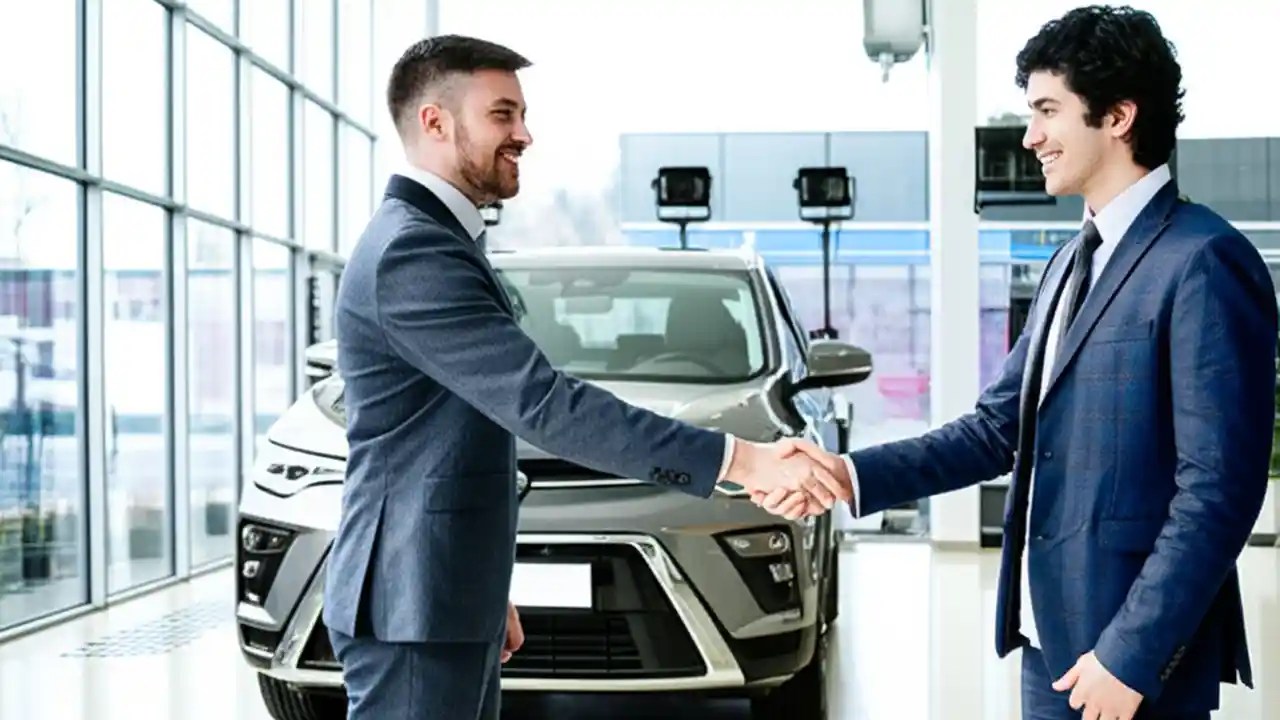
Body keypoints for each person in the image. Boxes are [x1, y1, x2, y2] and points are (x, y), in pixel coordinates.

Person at [759, 6, 1277, 719]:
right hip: (1049, 636)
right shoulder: (1070, 262)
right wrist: (847, 474)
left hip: (1130, 657)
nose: (1029, 136)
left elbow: (1218, 490)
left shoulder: (1205, 262)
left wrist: (1131, 653)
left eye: (1046, 111)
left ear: (1119, 115)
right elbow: (994, 430)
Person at [321, 34, 851, 720]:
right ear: (435, 122)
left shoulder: (435, 241)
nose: (525, 135)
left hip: (440, 594)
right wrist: (744, 459)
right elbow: (544, 404)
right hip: (414, 602)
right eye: (503, 115)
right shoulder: (413, 252)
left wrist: (481, 588)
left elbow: (450, 439)